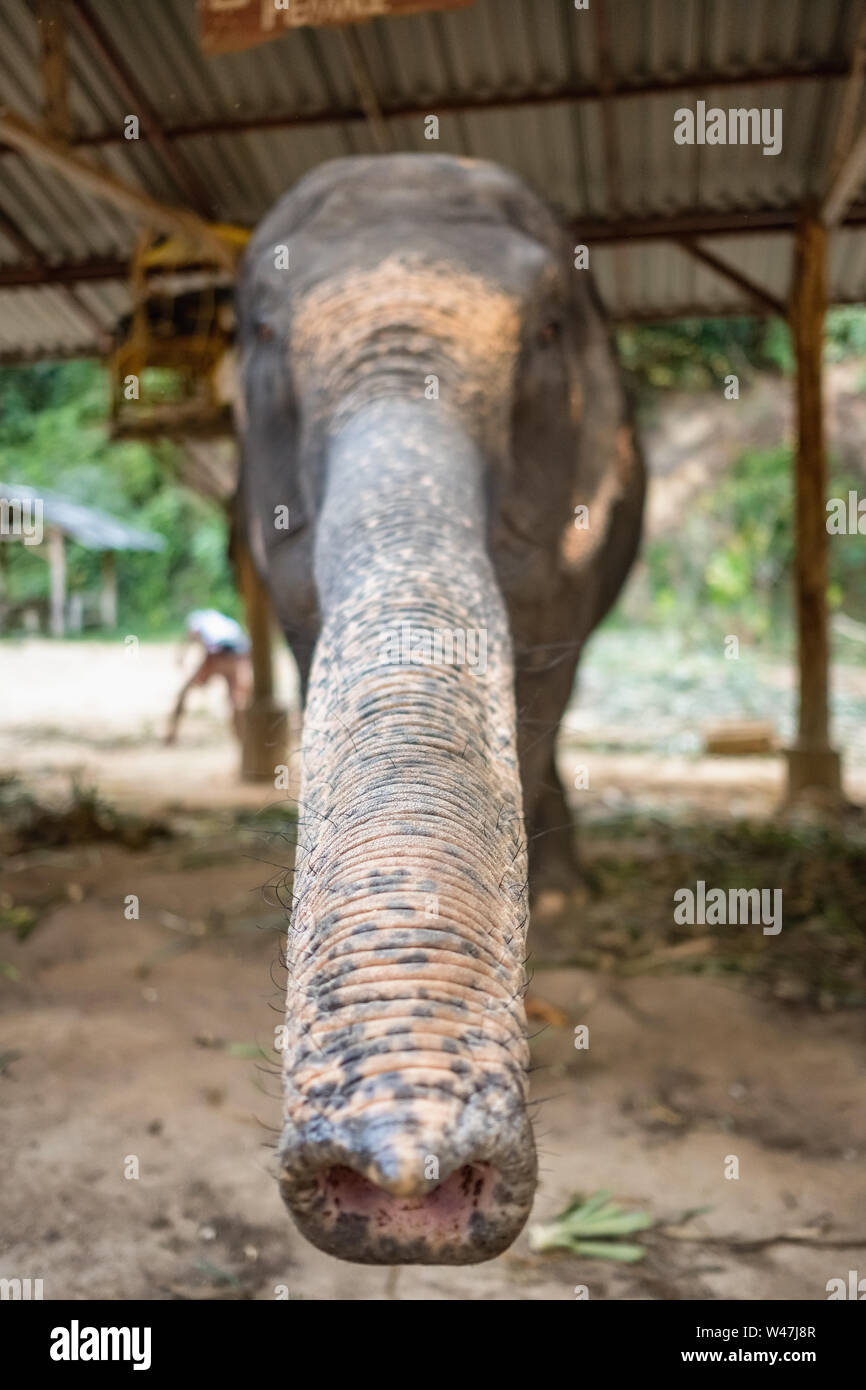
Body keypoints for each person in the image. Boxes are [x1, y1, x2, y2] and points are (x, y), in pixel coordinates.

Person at [165, 609, 252, 746]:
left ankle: (171, 734)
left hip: (217, 656)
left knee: (185, 691)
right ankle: (244, 741)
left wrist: (182, 658)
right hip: (238, 656)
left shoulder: (196, 620)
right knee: (236, 701)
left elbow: (190, 639)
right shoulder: (226, 622)